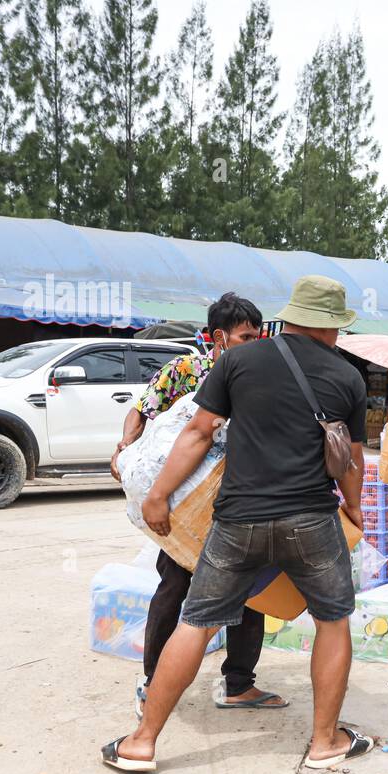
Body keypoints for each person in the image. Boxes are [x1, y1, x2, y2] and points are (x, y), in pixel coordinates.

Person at [102, 275, 371, 774]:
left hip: (238, 519)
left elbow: (199, 433)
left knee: (197, 622)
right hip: (311, 519)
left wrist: (158, 496)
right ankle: (325, 742)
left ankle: (141, 742)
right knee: (332, 622)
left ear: (287, 317)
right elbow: (350, 459)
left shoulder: (236, 361)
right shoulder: (348, 378)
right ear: (332, 327)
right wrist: (354, 510)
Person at [110, 294, 284, 715]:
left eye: (258, 336)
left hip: (240, 499)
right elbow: (142, 409)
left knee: (249, 592)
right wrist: (125, 450)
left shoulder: (258, 374)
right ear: (219, 337)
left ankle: (239, 684)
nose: (254, 343)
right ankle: (152, 683)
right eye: (246, 336)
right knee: (176, 587)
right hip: (186, 507)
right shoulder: (187, 371)